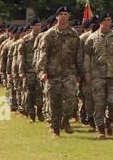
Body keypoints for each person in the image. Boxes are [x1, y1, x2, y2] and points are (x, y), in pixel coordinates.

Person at [35, 7, 85, 138]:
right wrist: (42, 71)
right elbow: (43, 54)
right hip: (53, 73)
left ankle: (66, 119)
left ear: (68, 16)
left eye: (66, 14)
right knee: (54, 102)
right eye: (61, 14)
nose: (63, 16)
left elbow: (78, 55)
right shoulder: (49, 34)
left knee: (71, 99)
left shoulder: (74, 34)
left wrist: (80, 73)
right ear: (57, 17)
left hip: (70, 73)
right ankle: (55, 128)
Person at [85, 13, 113, 137]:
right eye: (105, 20)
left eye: (109, 20)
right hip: (97, 76)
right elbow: (86, 58)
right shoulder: (92, 38)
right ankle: (101, 128)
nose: (108, 22)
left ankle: (109, 121)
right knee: (99, 103)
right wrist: (87, 74)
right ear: (100, 22)